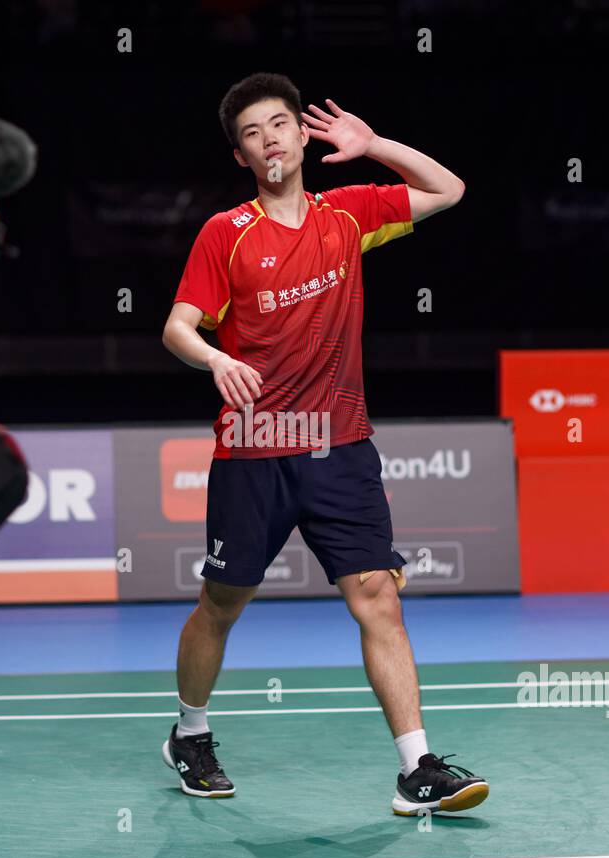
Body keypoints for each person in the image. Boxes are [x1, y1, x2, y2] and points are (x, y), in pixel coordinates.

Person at [160, 72, 487, 816]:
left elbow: (450, 190)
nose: (270, 137)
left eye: (281, 123)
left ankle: (417, 768)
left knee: (378, 600)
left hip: (341, 447)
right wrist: (216, 357)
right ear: (241, 156)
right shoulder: (226, 233)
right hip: (255, 449)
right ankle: (191, 731)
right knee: (221, 602)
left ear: (304, 136)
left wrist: (374, 146)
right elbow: (178, 325)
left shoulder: (347, 216)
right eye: (253, 131)